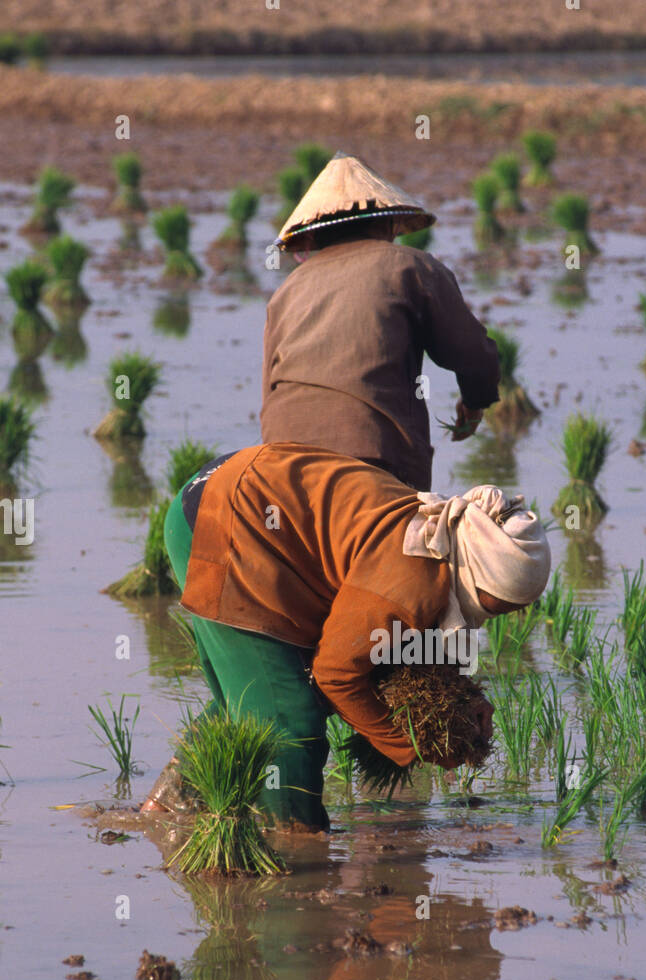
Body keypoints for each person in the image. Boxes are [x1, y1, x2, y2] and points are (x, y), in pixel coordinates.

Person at [143, 443, 551, 830]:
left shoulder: (440, 537)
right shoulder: (409, 582)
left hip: (239, 492)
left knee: (262, 688)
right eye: (498, 604)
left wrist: (464, 700)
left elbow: (396, 646)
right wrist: (412, 746)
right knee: (290, 715)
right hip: (223, 519)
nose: (496, 617)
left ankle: (168, 805)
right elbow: (335, 674)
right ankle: (293, 843)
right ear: (478, 571)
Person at [261, 151, 501, 491]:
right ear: (390, 223)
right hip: (374, 456)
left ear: (312, 237)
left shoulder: (285, 292)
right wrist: (476, 402)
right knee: (397, 543)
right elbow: (472, 353)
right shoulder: (411, 267)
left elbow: (269, 389)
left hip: (280, 464)